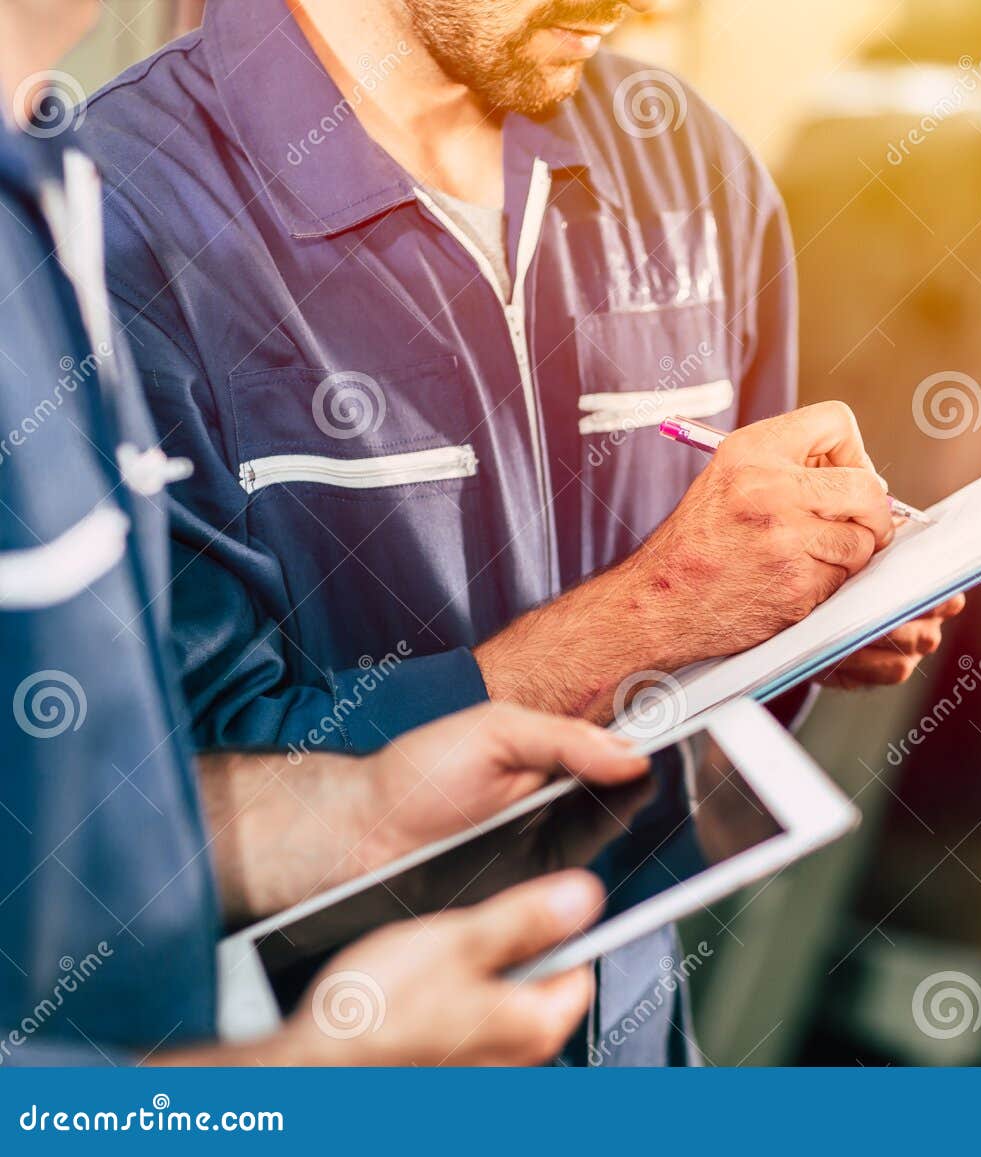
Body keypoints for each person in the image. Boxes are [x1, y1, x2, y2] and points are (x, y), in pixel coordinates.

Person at [78, 0, 964, 1064]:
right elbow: (127, 814)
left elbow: (717, 677)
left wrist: (804, 604)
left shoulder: (687, 166)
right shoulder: (114, 223)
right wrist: (653, 610)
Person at [0, 0, 647, 1066]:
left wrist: (352, 814)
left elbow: (64, 824)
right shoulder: (142, 196)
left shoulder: (51, 189)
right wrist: (307, 1079)